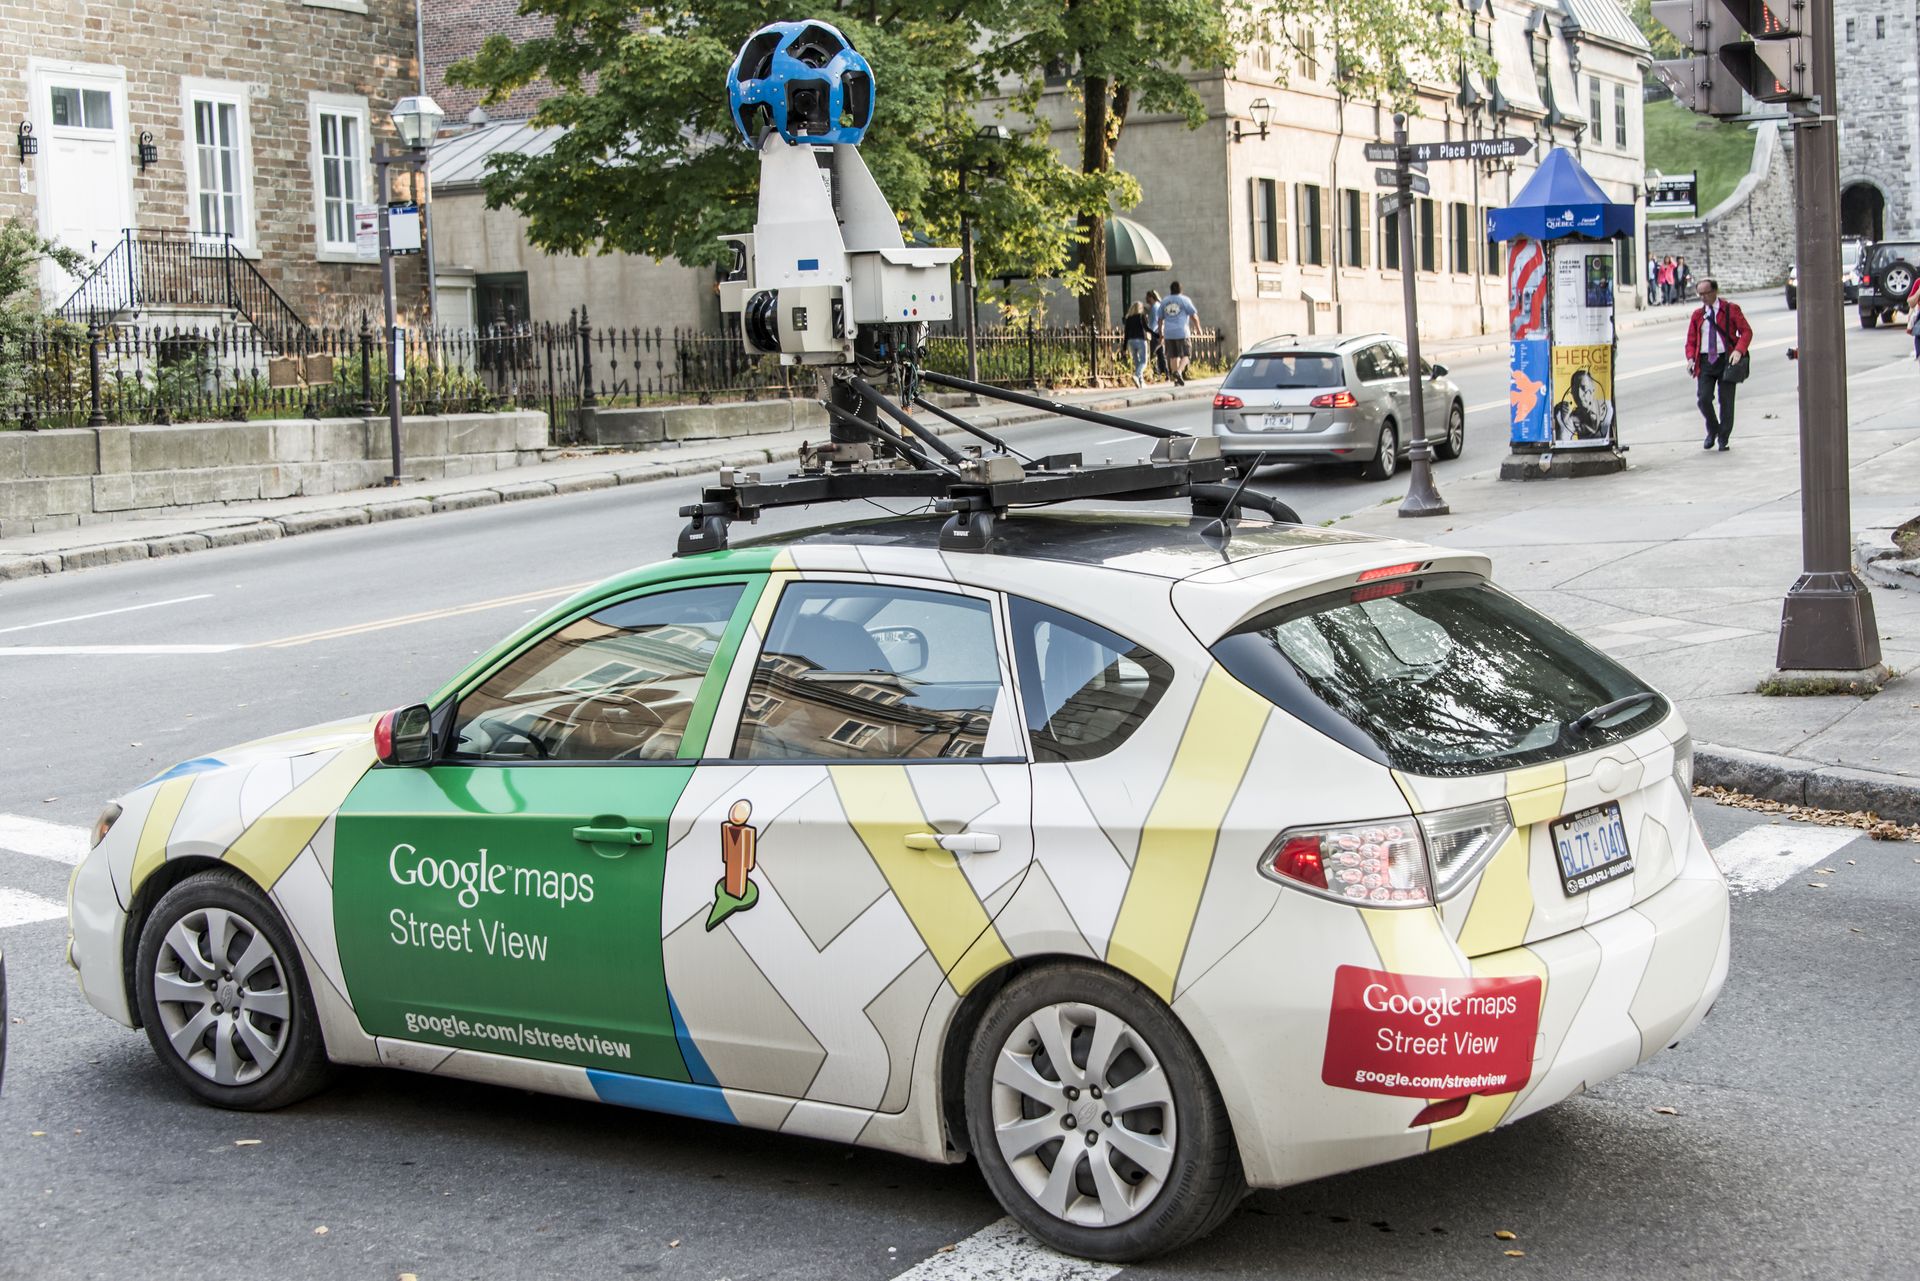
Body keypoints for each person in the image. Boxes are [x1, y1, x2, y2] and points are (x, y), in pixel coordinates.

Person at [1684, 278, 1752, 451]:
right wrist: (1690, 358)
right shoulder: (1698, 315)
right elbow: (1691, 340)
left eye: (1706, 293)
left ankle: (1723, 437)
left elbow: (1746, 332)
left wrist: (1739, 350)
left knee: (1726, 401)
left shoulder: (1730, 309)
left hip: (1727, 360)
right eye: (1700, 294)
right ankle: (1713, 428)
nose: (1703, 297)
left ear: (1715, 291)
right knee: (1704, 399)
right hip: (1705, 362)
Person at [1552, 367, 1615, 441]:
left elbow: (1607, 436)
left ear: (1593, 390)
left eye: (1584, 388)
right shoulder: (1573, 416)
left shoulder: (1605, 407)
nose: (1579, 395)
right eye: (1575, 390)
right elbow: (1563, 439)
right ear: (1572, 393)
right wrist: (1562, 423)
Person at [1157, 282, 1201, 386]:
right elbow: (1193, 315)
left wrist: (1160, 333)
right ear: (1181, 290)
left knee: (1173, 356)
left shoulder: (1164, 301)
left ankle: (1176, 380)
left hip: (1169, 333)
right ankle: (1179, 371)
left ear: (1170, 290)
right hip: (1182, 332)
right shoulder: (1184, 300)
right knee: (1186, 355)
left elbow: (1160, 319)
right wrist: (1198, 328)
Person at [1122, 301, 1152, 387]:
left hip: (1131, 341)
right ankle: (1136, 375)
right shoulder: (1142, 316)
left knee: (1137, 362)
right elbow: (1146, 328)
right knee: (1143, 361)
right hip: (1141, 340)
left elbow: (1126, 333)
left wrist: (1124, 348)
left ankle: (1141, 382)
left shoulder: (1128, 318)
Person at [1143, 289, 1166, 379]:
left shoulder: (1155, 308)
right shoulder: (1157, 306)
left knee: (1151, 355)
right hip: (1159, 333)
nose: (1146, 299)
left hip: (1155, 334)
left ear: (1151, 297)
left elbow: (1153, 323)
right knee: (1161, 355)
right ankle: (1165, 374)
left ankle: (1156, 374)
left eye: (1147, 297)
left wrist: (1148, 332)